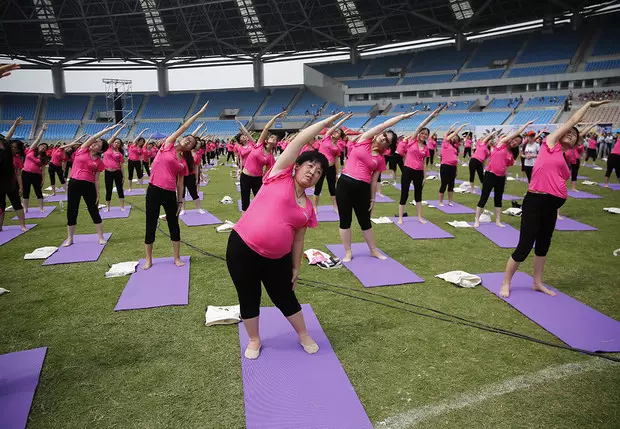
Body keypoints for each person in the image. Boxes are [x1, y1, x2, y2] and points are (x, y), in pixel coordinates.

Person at [227, 112, 342, 360]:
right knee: (248, 295)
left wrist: (295, 267)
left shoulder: (308, 208)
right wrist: (323, 124)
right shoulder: (278, 175)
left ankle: (303, 335)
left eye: (319, 171)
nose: (313, 172)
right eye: (310, 165)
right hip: (242, 248)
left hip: (277, 259)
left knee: (285, 296)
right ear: (297, 166)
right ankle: (255, 339)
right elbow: (299, 141)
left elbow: (299, 240)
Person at [499, 100, 610, 298]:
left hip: (552, 205)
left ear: (576, 142)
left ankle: (537, 282)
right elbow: (574, 120)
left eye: (574, 135)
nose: (570, 134)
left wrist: (586, 131)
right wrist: (590, 104)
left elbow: (576, 141)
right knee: (524, 246)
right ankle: (506, 282)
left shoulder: (565, 157)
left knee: (543, 244)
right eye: (568, 131)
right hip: (535, 201)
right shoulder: (550, 143)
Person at [337, 112, 416, 262]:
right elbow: (383, 125)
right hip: (345, 184)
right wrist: (402, 117)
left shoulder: (380, 159)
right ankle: (348, 252)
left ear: (388, 146)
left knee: (365, 221)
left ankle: (373, 250)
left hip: (363, 189)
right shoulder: (364, 140)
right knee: (345, 220)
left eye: (387, 140)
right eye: (384, 135)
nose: (383, 137)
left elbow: (374, 180)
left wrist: (372, 198)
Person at [143, 103, 209, 270]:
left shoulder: (185, 162)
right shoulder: (168, 145)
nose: (188, 141)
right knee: (150, 224)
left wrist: (180, 201)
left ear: (191, 148)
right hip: (153, 190)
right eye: (187, 138)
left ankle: (177, 257)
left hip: (169, 194)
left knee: (174, 224)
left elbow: (180, 183)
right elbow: (185, 126)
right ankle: (148, 259)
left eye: (191, 142)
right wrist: (199, 113)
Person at [61, 125, 120, 246]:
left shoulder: (99, 161)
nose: (94, 143)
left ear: (101, 149)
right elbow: (93, 137)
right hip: (74, 183)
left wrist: (98, 193)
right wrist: (105, 130)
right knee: (72, 210)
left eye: (97, 143)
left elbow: (97, 179)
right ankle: (70, 238)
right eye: (94, 142)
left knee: (93, 210)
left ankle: (100, 237)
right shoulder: (82, 149)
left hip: (89, 186)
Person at [474, 121, 535, 228]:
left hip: (501, 178)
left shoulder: (512, 154)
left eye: (518, 142)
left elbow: (505, 167)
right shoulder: (501, 144)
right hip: (490, 175)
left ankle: (498, 221)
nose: (515, 142)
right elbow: (515, 134)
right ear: (511, 138)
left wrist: (505, 179)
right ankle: (477, 220)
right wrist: (525, 125)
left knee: (498, 198)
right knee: (484, 197)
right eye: (515, 139)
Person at [396, 106, 442, 224]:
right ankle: (401, 217)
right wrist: (431, 116)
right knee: (404, 193)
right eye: (422, 133)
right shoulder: (412, 141)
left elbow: (424, 163)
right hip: (407, 170)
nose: (423, 135)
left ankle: (420, 217)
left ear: (428, 136)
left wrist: (425, 176)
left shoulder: (426, 148)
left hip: (419, 172)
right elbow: (420, 126)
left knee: (418, 194)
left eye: (426, 134)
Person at [236, 112, 286, 212]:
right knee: (245, 202)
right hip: (245, 176)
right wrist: (275, 117)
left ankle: (259, 222)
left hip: (257, 179)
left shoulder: (271, 157)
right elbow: (266, 128)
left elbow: (268, 171)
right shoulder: (258, 144)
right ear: (267, 140)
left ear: (276, 143)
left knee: (259, 201)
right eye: (271, 137)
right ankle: (243, 225)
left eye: (275, 139)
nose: (273, 138)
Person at [314, 113, 352, 213]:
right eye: (335, 131)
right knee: (318, 186)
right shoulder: (326, 137)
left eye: (338, 132)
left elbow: (336, 160)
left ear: (340, 136)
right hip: (321, 167)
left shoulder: (338, 146)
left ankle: (335, 206)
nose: (335, 132)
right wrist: (344, 119)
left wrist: (336, 172)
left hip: (330, 168)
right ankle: (315, 206)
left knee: (332, 187)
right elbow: (334, 126)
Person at [0, 120, 27, 232]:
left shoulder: (7, 148)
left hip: (10, 181)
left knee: (16, 203)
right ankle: (0, 227)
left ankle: (22, 225)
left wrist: (14, 126)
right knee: (1, 205)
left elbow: (8, 136)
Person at [180, 123, 207, 215]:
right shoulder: (182, 150)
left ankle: (198, 208)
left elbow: (196, 166)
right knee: (181, 193)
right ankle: (183, 209)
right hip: (181, 176)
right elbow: (190, 137)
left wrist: (197, 178)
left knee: (194, 192)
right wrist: (198, 128)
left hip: (191, 175)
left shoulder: (194, 153)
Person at [438, 123, 468, 206]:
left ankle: (450, 201)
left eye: (455, 136)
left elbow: (455, 159)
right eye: (453, 136)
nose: (454, 137)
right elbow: (449, 133)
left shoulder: (455, 147)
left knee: (451, 184)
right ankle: (440, 201)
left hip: (453, 167)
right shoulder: (445, 143)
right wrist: (459, 126)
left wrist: (456, 170)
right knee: (444, 184)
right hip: (445, 166)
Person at [22, 124, 49, 213]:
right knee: (26, 191)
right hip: (25, 174)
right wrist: (42, 130)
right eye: (42, 146)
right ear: (38, 146)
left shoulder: (44, 158)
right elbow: (37, 140)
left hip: (36, 176)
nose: (43, 147)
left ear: (46, 150)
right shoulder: (31, 150)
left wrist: (43, 179)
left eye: (45, 147)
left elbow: (43, 170)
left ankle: (41, 208)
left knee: (38, 191)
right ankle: (25, 208)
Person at [103, 124, 128, 212]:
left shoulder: (120, 154)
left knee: (120, 189)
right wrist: (120, 128)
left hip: (117, 172)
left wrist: (123, 176)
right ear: (113, 142)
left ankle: (122, 206)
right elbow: (114, 136)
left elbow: (121, 166)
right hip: (108, 172)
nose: (117, 144)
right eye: (116, 142)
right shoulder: (107, 147)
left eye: (119, 143)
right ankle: (108, 207)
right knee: (108, 189)